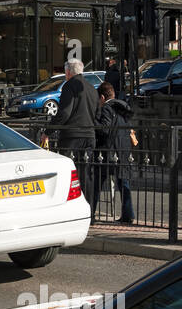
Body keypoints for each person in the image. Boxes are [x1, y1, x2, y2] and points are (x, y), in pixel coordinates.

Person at [93, 82, 136, 222]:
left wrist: (94, 122)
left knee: (97, 182)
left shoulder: (106, 108)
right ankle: (128, 215)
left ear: (102, 97)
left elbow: (105, 129)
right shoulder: (123, 108)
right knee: (123, 182)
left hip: (109, 150)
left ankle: (90, 214)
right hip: (123, 149)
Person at [51, 59, 98, 164]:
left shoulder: (69, 86)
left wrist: (48, 131)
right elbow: (97, 114)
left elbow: (64, 113)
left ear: (68, 72)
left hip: (72, 137)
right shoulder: (92, 88)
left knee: (69, 173)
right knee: (86, 173)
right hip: (89, 136)